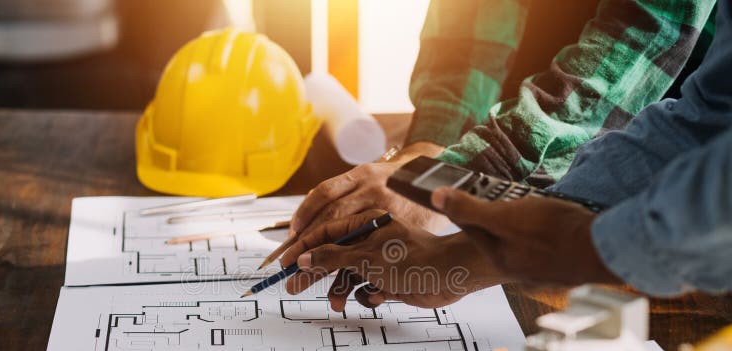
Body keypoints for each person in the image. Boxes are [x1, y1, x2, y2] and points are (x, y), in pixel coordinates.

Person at [277, 0, 732, 309]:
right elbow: (706, 115)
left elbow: (650, 26)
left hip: (639, 86)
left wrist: (458, 176)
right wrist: (432, 154)